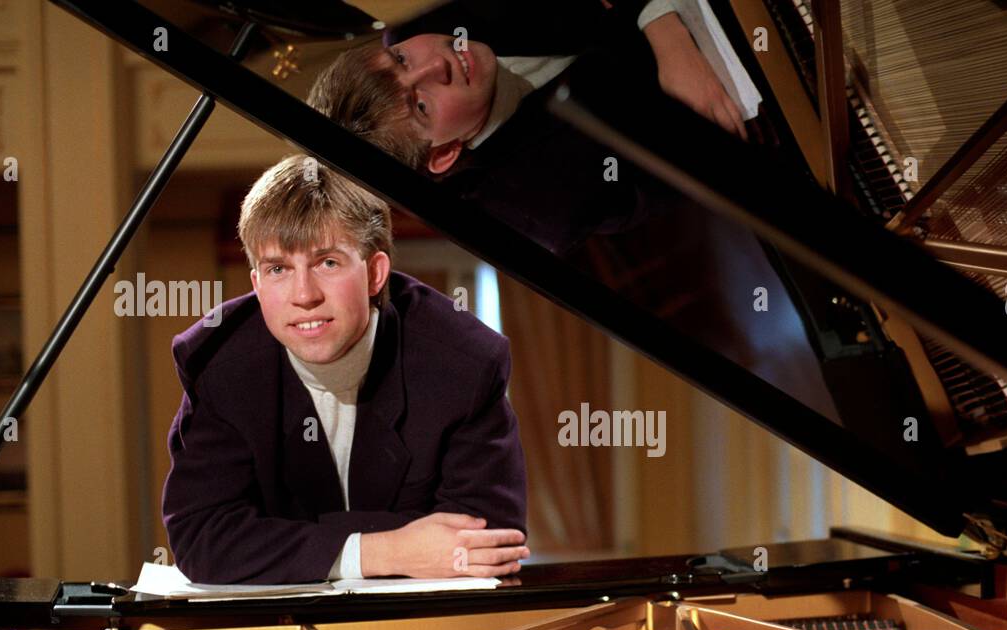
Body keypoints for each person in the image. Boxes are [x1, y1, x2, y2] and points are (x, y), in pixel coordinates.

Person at [162, 154, 529, 584]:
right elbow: (203, 538)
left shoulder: (462, 362)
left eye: (327, 263)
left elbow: (487, 543)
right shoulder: (219, 364)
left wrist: (291, 543)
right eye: (278, 269)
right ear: (257, 285)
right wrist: (384, 551)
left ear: (375, 274)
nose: (304, 295)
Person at [308, 0, 749, 254]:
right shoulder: (548, 206)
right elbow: (709, 155)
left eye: (401, 59)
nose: (436, 64)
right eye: (420, 105)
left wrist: (662, 28)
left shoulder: (427, 13)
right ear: (443, 155)